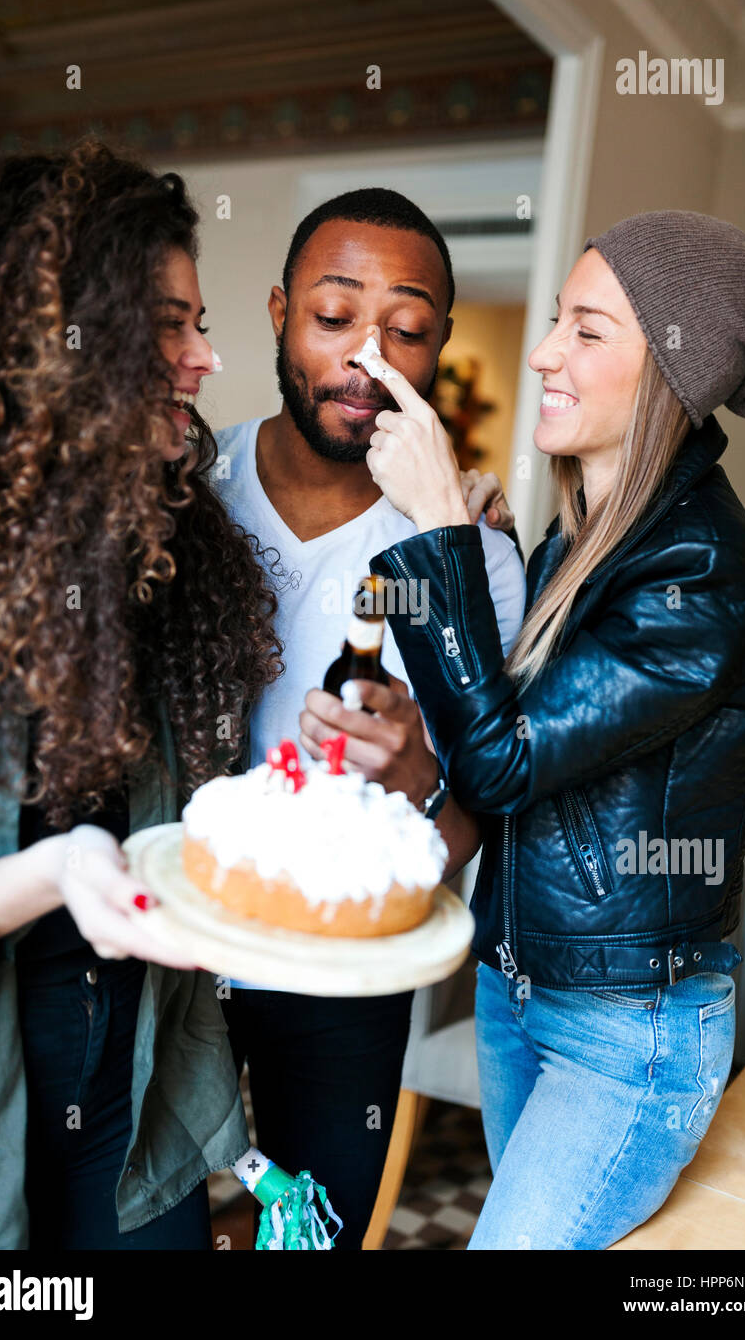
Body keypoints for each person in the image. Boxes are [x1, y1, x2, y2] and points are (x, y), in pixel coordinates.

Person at [359, 210, 745, 1249]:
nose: (546, 350)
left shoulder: (702, 570)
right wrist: (487, 554)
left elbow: (501, 761)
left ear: (671, 377)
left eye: (588, 330)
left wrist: (435, 541)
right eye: (556, 317)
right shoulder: (584, 536)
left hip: (623, 1032)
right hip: (519, 984)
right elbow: (535, 722)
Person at [0, 139, 281, 1249]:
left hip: (135, 1099)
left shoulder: (165, 557)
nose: (204, 355)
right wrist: (40, 877)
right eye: (168, 324)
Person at [209, 187, 525, 1248]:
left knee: (312, 1235)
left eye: (408, 329)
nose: (367, 358)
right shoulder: (184, 487)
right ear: (276, 312)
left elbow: (470, 820)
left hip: (345, 971)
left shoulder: (466, 552)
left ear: (436, 345)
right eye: (333, 316)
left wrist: (415, 779)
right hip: (166, 934)